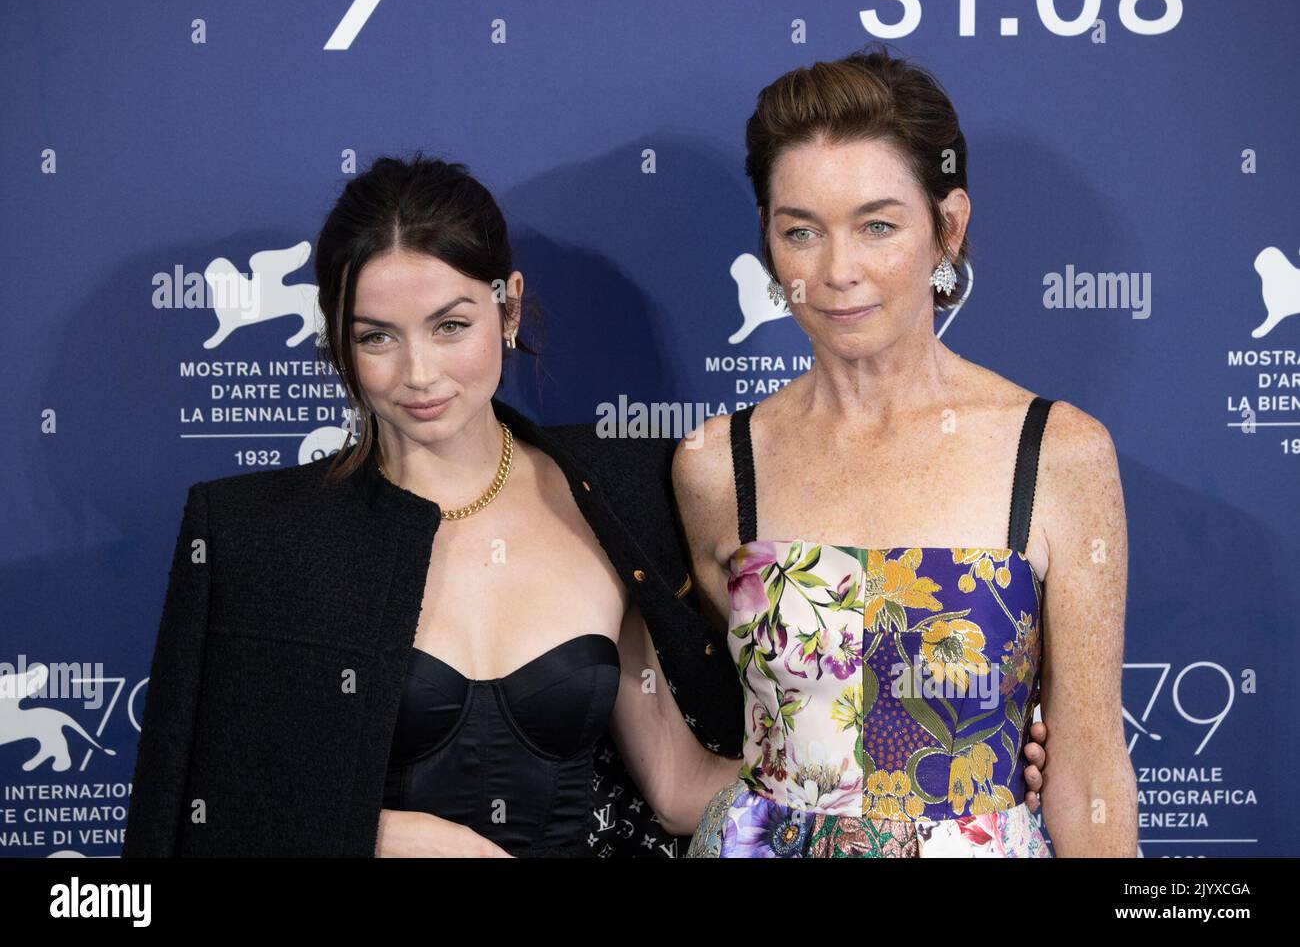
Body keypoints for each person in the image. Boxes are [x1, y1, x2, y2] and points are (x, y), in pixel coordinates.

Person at [122, 152, 1049, 858]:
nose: (419, 374)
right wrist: (397, 838)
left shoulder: (616, 499)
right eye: (377, 337)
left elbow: (683, 785)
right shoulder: (257, 536)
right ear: (336, 338)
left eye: (452, 325)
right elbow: (198, 811)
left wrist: (937, 763)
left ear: (508, 308)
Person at [672, 45, 1134, 857]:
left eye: (877, 225)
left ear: (947, 226)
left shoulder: (1058, 453)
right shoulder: (716, 465)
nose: (838, 271)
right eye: (801, 232)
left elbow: (1089, 768)